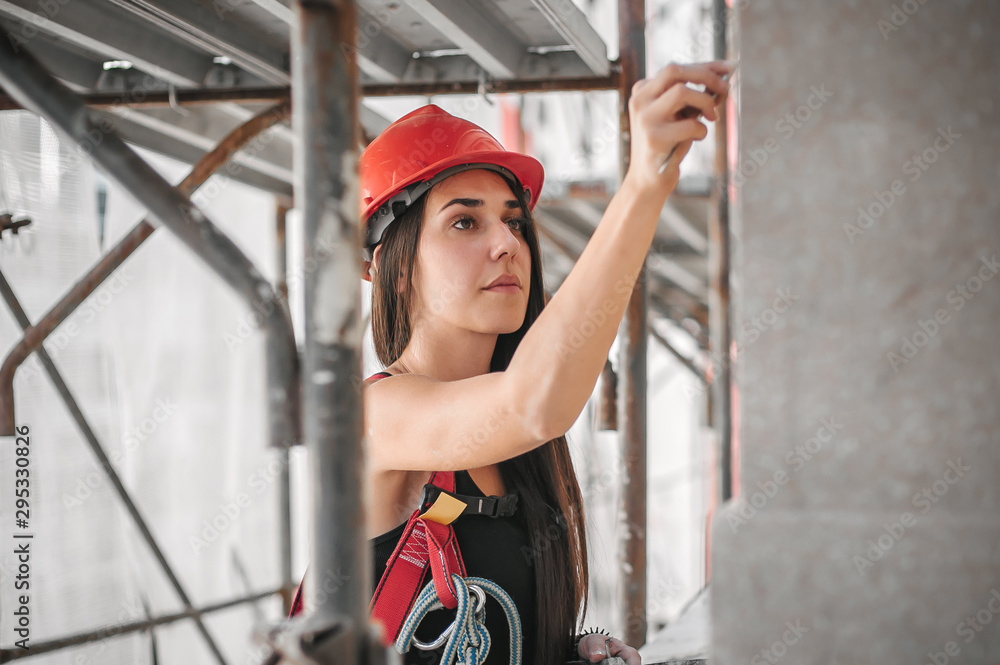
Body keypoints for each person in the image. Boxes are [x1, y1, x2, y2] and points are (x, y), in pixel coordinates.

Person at [301, 59, 731, 665]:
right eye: (464, 221)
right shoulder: (374, 418)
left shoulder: (522, 459)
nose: (506, 242)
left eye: (512, 220)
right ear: (391, 270)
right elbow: (535, 403)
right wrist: (644, 183)